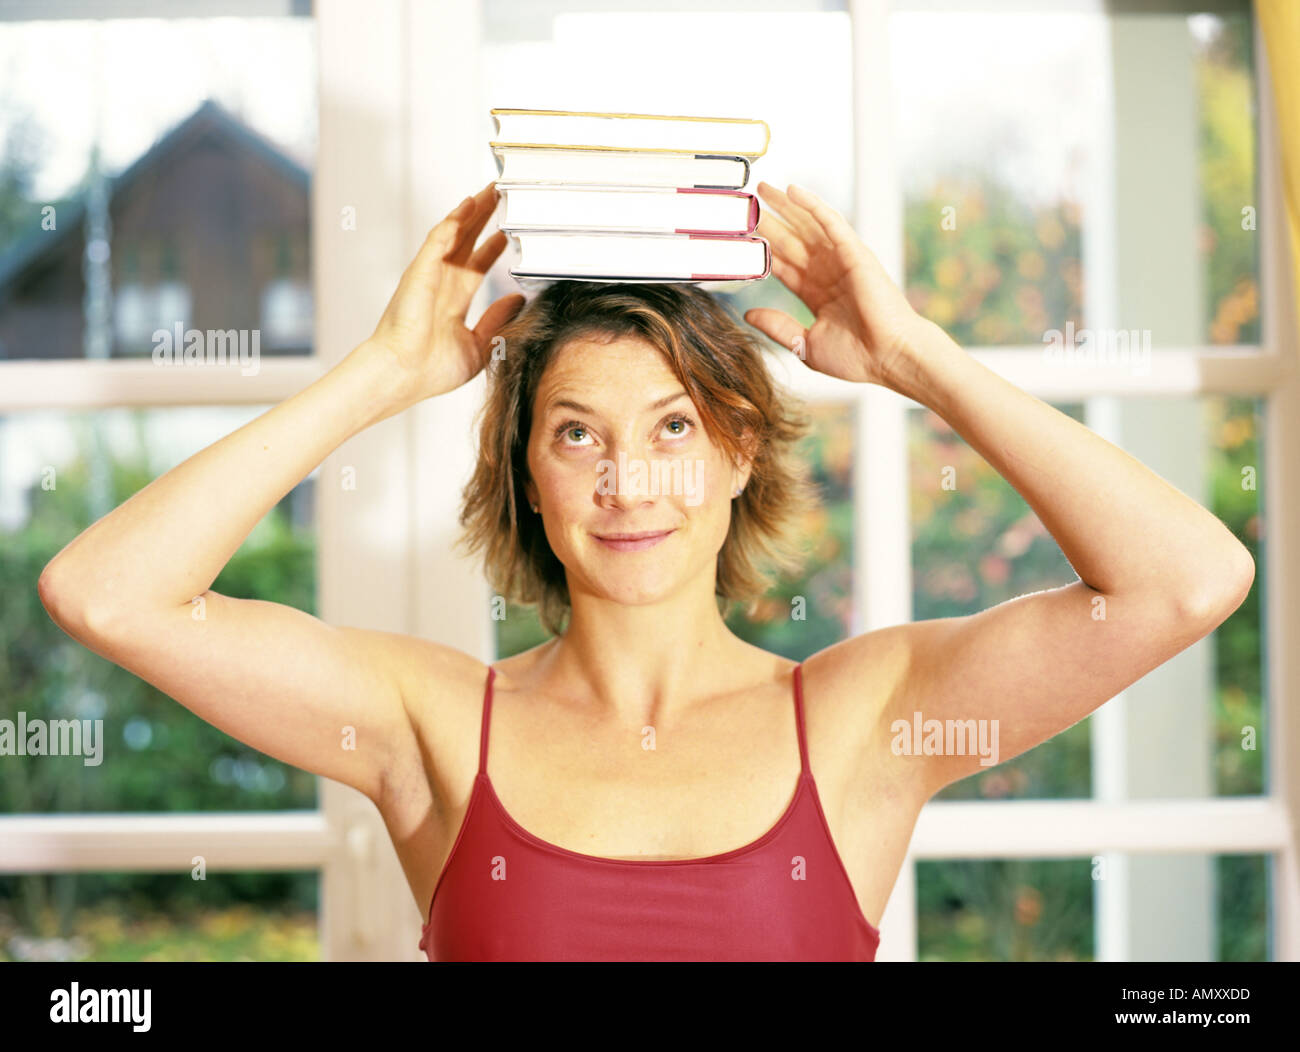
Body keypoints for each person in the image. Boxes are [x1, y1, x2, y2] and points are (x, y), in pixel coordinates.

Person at [37, 179, 1255, 962]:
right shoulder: (430, 725)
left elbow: (1185, 578)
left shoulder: (862, 719)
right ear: (527, 472)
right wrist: (383, 375)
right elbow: (107, 593)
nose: (628, 480)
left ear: (738, 453)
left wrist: (919, 357)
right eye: (577, 433)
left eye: (674, 426)